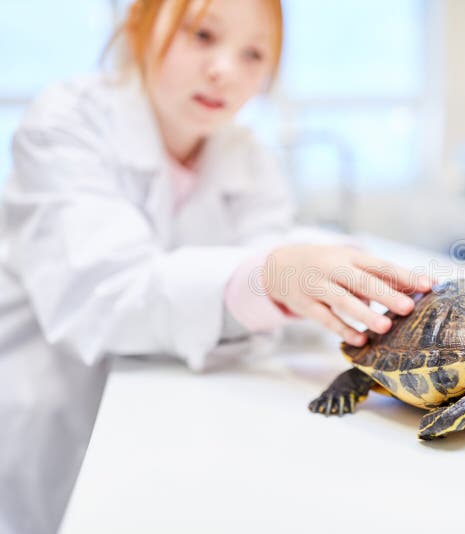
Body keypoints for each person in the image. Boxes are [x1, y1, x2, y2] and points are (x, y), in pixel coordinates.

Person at [0, 1, 431, 532]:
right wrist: (271, 277)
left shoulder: (245, 154)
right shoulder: (67, 123)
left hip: (160, 419)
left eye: (253, 54)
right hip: (45, 409)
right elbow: (107, 293)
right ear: (139, 23)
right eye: (203, 35)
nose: (225, 70)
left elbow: (273, 250)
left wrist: (331, 272)